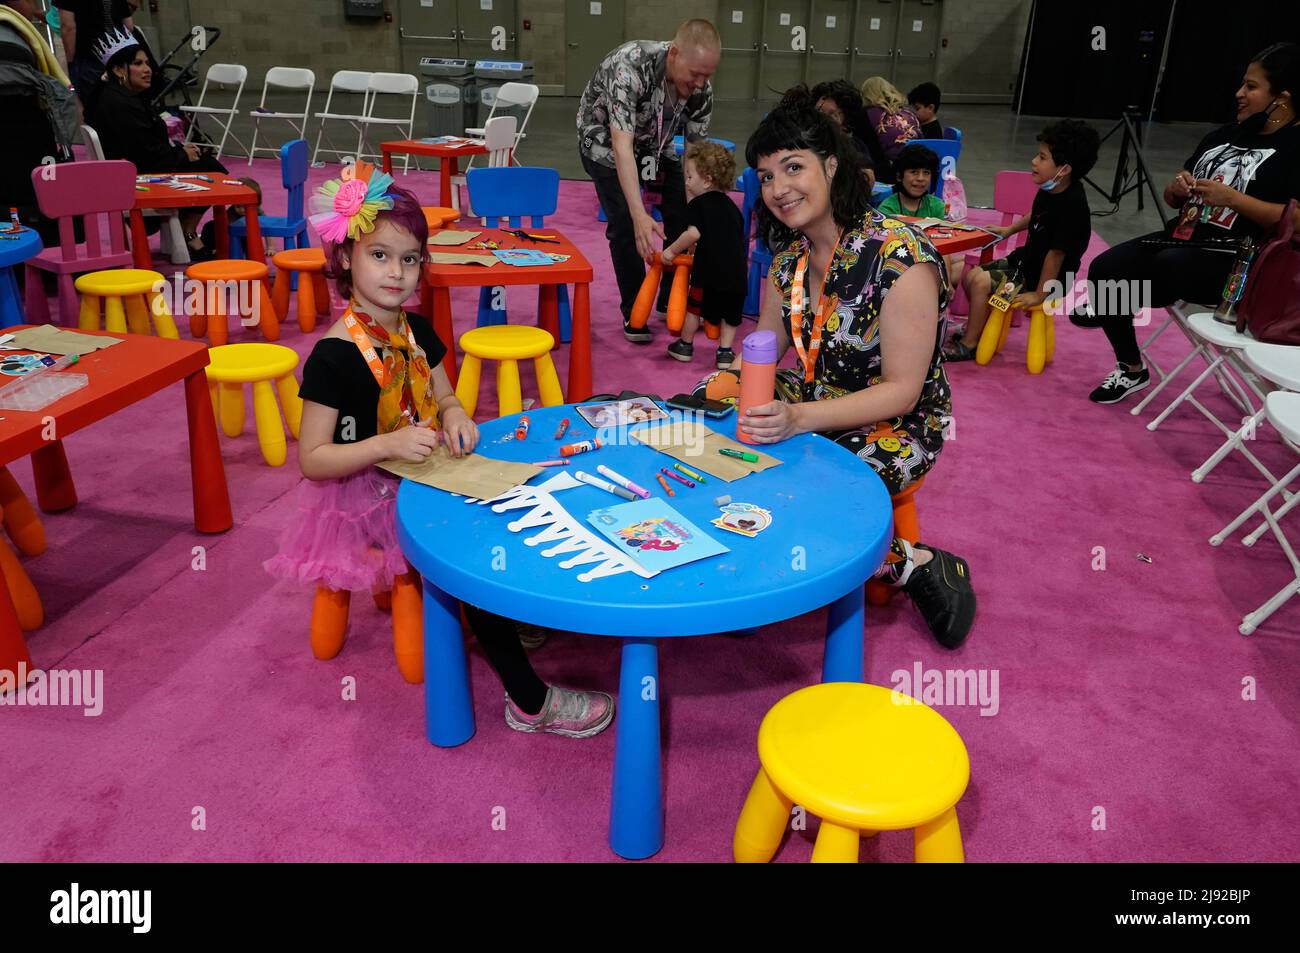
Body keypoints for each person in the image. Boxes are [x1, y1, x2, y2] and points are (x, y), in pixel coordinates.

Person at [264, 167, 614, 738]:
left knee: (519, 495)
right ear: (345, 257)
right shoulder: (332, 357)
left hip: (420, 469)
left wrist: (453, 415)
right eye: (379, 255)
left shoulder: (416, 331)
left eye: (409, 260)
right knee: (467, 545)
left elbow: (444, 394)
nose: (396, 273)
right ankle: (529, 700)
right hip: (366, 492)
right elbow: (313, 458)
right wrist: (387, 444)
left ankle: (500, 608)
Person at [694, 103, 977, 648]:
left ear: (830, 167)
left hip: (897, 419)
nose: (779, 188)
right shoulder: (787, 259)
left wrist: (797, 419)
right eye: (768, 175)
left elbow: (901, 390)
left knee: (823, 485)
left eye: (794, 167)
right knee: (705, 408)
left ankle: (912, 563)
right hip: (814, 393)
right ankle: (742, 547)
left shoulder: (901, 258)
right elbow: (770, 345)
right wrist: (729, 381)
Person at [1074, 42, 1300, 404]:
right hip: (1184, 238)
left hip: (1240, 259)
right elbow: (1174, 194)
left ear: (1282, 98)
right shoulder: (1224, 135)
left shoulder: (1295, 147)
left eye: (1252, 87)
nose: (1239, 94)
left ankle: (1113, 303)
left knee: (1161, 268)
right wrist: (1177, 189)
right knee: (1105, 267)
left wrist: (1235, 200)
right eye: (1242, 84)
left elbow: (1296, 221)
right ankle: (1131, 368)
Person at [576, 18, 721, 344]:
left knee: (685, 217)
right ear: (674, 53)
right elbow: (621, 146)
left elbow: (695, 157)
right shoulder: (629, 66)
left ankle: (670, 297)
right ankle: (634, 308)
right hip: (604, 142)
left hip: (657, 144)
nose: (700, 83)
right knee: (626, 224)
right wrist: (640, 213)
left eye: (708, 76)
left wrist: (698, 208)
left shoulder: (702, 91)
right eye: (695, 74)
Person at [944, 119, 1098, 362]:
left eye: (1042, 157)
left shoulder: (1072, 205)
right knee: (970, 274)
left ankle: (970, 344)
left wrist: (1039, 294)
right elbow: (1035, 215)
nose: (1034, 162)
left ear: (1064, 169)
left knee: (981, 281)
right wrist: (1009, 230)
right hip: (1027, 262)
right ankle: (977, 327)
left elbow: (1056, 255)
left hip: (1047, 279)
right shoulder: (1051, 188)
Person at [86, 29, 228, 258]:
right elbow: (143, 153)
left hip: (132, 170)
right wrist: (182, 156)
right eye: (138, 63)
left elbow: (143, 144)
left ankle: (187, 232)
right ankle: (188, 232)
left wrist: (180, 150)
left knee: (201, 159)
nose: (147, 69)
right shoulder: (120, 104)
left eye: (147, 63)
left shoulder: (115, 96)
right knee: (213, 170)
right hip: (138, 177)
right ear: (118, 69)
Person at [662, 141, 747, 369]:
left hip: (708, 272)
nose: (687, 183)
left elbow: (693, 233)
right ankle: (725, 352)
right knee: (730, 314)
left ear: (707, 180)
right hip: (736, 274)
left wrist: (670, 251)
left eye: (690, 177)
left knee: (694, 309)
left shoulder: (698, 204)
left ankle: (685, 345)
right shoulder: (733, 208)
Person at [54, 0, 137, 103]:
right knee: (123, 102)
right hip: (118, 56)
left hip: (88, 59)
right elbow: (129, 26)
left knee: (92, 107)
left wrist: (70, 61)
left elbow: (68, 27)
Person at [808, 79, 880, 187]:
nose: (821, 119)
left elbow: (868, 179)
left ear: (846, 120)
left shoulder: (855, 148)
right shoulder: (803, 143)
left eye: (831, 115)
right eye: (819, 112)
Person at [860, 76, 922, 176]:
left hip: (889, 171)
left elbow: (864, 148)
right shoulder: (910, 113)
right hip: (918, 167)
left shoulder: (867, 113)